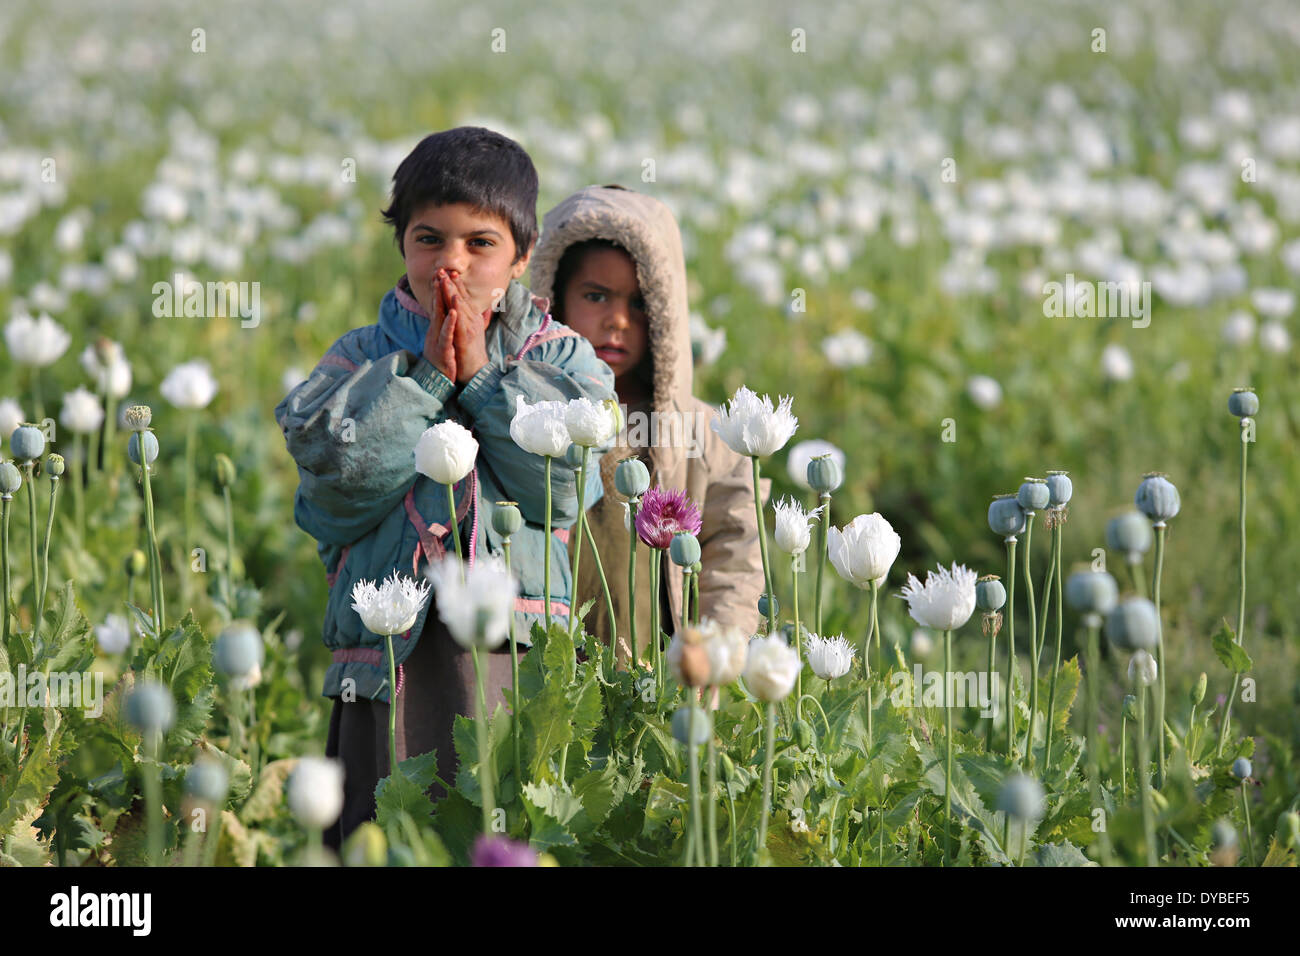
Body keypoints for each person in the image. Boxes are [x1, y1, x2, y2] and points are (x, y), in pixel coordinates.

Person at [274, 129, 615, 850]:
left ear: (522, 256)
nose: (450, 262)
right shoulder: (359, 356)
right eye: (429, 238)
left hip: (511, 654)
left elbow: (561, 487)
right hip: (385, 655)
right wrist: (426, 380)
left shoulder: (557, 356)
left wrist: (481, 380)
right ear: (402, 244)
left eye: (479, 243)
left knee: (497, 829)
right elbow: (338, 487)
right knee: (387, 830)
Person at [529, 184, 766, 668]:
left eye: (639, 304)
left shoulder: (709, 436)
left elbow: (735, 556)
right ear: (554, 301)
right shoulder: (528, 422)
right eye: (596, 296)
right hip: (551, 673)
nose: (617, 320)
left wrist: (715, 653)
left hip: (662, 681)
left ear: (665, 313)